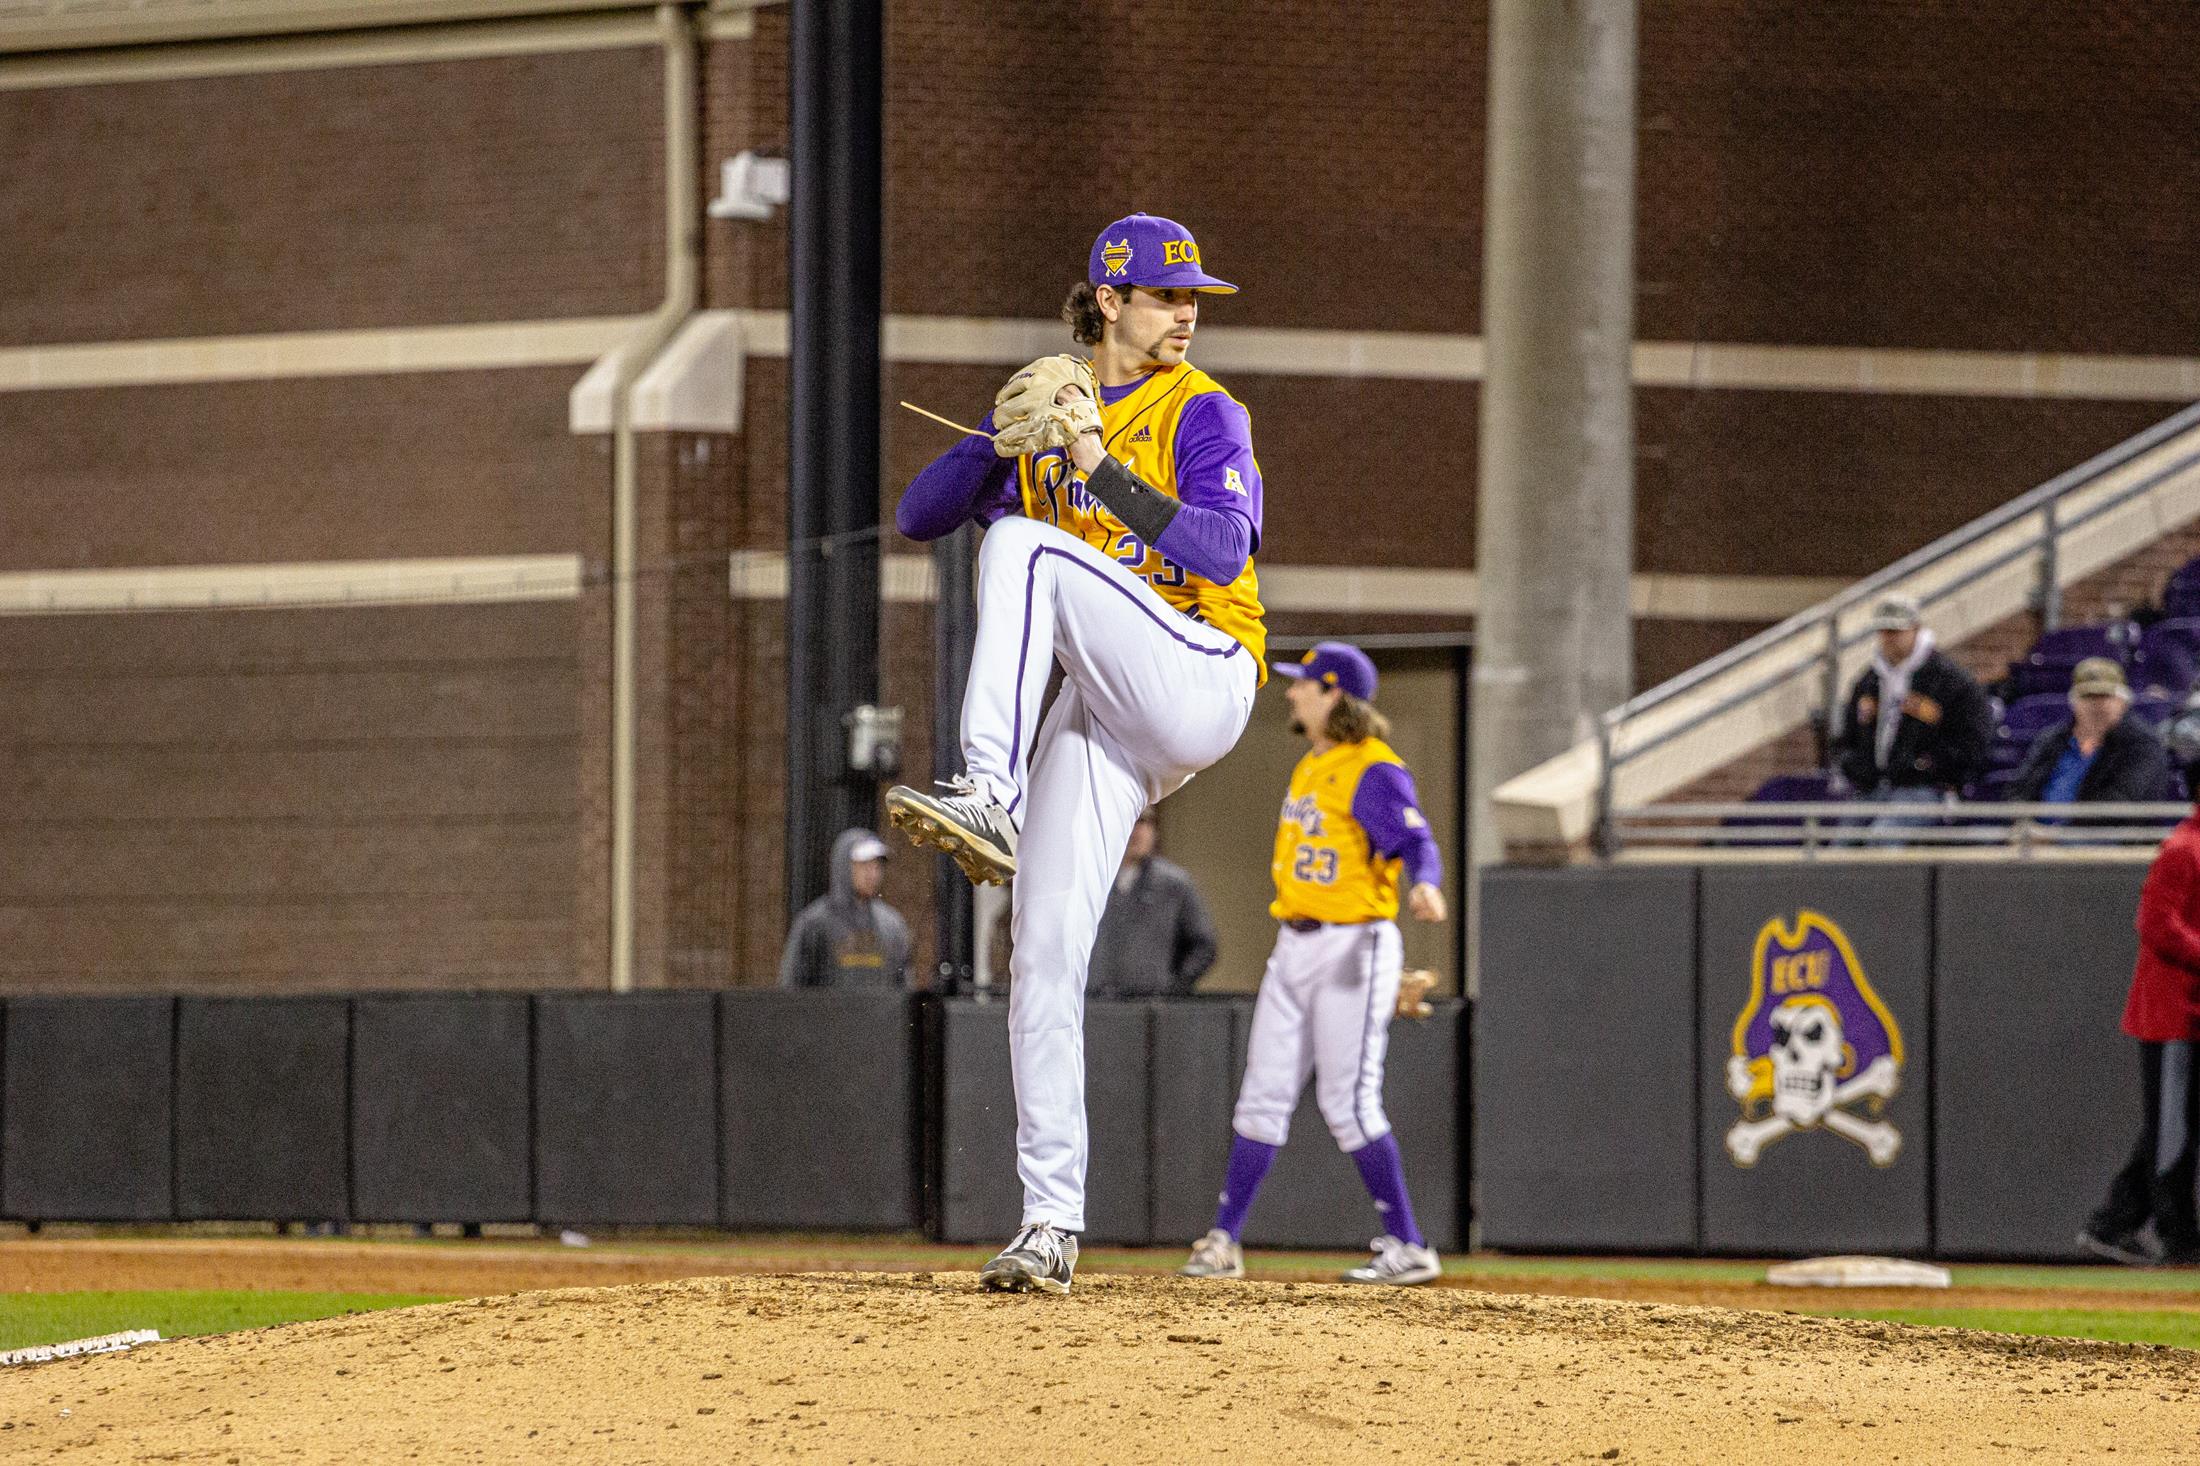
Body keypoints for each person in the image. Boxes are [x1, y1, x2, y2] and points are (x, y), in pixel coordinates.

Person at [886, 213, 1265, 1294]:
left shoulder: (1203, 411)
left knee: (1024, 548)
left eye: (1193, 298)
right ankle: (1050, 1222)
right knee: (1041, 950)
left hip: (1201, 671)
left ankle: (987, 787)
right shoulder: (1054, 419)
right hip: (1109, 705)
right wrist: (992, 442)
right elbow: (919, 516)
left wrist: (1093, 465)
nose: (1185, 313)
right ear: (1106, 299)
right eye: (1163, 295)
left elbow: (1222, 544)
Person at [1180, 642, 1447, 1286]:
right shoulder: (1311, 765)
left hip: (1354, 944)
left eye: (1306, 685)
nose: (1293, 692)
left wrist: (1425, 882)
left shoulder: (1372, 767)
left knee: (1348, 1101)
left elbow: (1415, 838)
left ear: (1335, 695)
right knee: (1262, 1094)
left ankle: (1409, 1245)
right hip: (1294, 943)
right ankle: (1224, 1241)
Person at [2079, 702, 2200, 1265]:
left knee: (2174, 1123)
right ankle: (2175, 1236)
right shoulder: (2183, 849)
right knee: (2173, 1127)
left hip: (2188, 1011)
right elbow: (2155, 924)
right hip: (2172, 1014)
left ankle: (2114, 1222)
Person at [1829, 592, 1993, 830]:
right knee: (1840, 846)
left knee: (1883, 838)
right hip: (1874, 786)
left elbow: (1972, 740)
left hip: (1927, 789)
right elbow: (1847, 736)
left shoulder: (1949, 680)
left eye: (1896, 631)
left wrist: (1926, 765)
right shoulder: (1869, 682)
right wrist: (1855, 766)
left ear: (1915, 629)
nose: (1888, 638)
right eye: (1883, 631)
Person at [1087, 810, 1219, 998]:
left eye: (1144, 823)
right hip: (1094, 1003)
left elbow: (1204, 946)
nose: (1137, 832)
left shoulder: (1174, 884)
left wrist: (1172, 989)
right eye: (1131, 821)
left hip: (1150, 1008)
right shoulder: (1090, 879)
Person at [2008, 657, 2171, 806]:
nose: (2097, 704)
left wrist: (2056, 835)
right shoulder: (2052, 739)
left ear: (2122, 702)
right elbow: (2019, 790)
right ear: (2074, 702)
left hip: (2103, 835)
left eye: (2105, 696)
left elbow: (2118, 804)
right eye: (2088, 696)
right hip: (2034, 833)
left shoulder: (2142, 745)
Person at [777, 829, 912, 990]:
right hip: (829, 1015)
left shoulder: (892, 925)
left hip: (881, 1015)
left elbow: (903, 986)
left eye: (877, 865)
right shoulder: (814, 922)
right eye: (864, 865)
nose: (873, 874)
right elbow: (792, 985)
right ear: (843, 866)